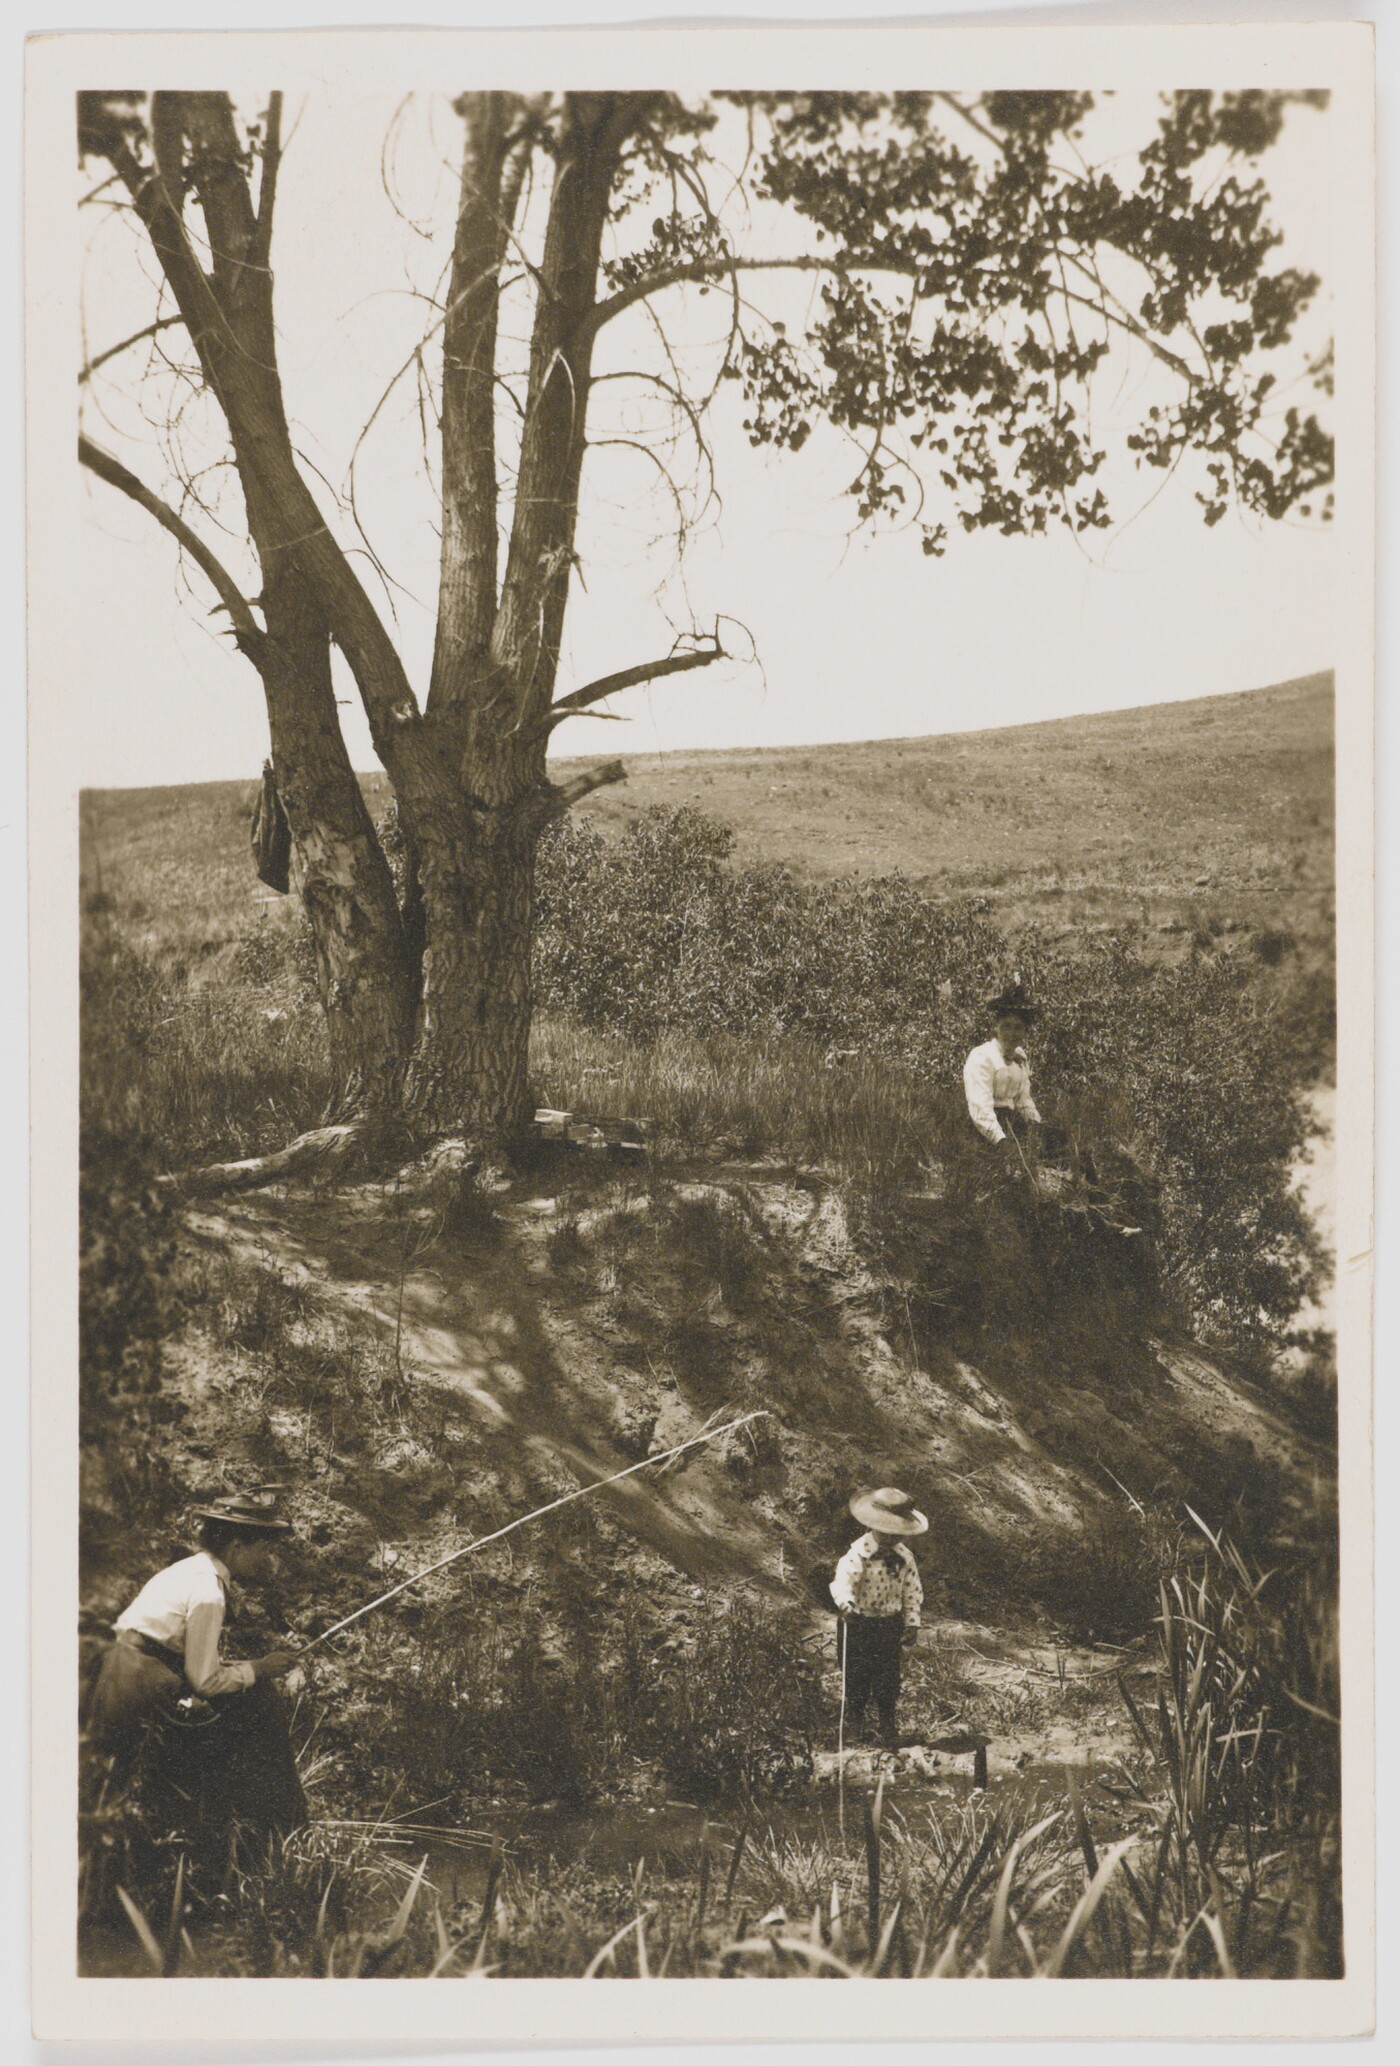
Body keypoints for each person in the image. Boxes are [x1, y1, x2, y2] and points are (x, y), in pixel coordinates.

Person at [86, 1488, 307, 1847]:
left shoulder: (186, 1570)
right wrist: (260, 1669)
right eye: (263, 1549)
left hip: (116, 1676)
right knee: (260, 1704)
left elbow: (183, 1656)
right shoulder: (208, 1592)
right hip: (141, 1689)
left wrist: (248, 1668)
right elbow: (205, 1681)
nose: (266, 1558)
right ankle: (272, 1831)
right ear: (237, 1546)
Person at [830, 1487, 926, 1750]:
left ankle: (888, 1726)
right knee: (856, 1675)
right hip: (858, 1623)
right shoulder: (857, 1554)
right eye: (886, 1532)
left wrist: (912, 1622)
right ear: (872, 1526)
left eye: (897, 1533)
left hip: (889, 1624)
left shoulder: (904, 1557)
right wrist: (846, 1603)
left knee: (888, 1678)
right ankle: (854, 1725)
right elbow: (844, 1581)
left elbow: (912, 1590)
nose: (891, 1538)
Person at [963, 978, 1043, 1153]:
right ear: (996, 1027)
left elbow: (1023, 1099)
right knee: (1014, 1156)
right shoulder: (982, 1056)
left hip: (1012, 1122)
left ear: (1025, 1031)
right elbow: (980, 1108)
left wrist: (1035, 1126)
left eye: (1018, 1028)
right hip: (986, 1130)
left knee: (1059, 1141)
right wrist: (1001, 1141)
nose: (1012, 1034)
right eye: (1006, 1026)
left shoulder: (1020, 1056)